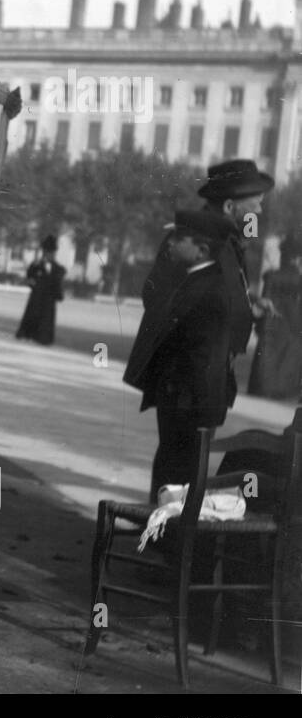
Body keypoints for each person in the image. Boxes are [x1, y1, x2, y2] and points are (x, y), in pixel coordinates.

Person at [123, 210, 235, 503]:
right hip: (181, 397)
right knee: (171, 464)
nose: (170, 244)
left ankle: (168, 535)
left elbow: (202, 354)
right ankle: (162, 529)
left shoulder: (208, 289)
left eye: (178, 239)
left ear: (201, 250)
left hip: (188, 400)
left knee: (177, 468)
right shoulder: (196, 281)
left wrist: (186, 398)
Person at [141, 159, 275, 362]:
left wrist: (250, 311)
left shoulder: (233, 242)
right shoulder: (188, 240)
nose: (259, 212)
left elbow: (221, 297)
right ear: (229, 206)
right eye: (256, 204)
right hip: (184, 373)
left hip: (213, 371)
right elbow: (155, 296)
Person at [248, 233, 302, 400]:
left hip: (271, 321)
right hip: (291, 322)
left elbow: (264, 299)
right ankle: (279, 391)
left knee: (267, 357)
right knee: (287, 357)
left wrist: (258, 323)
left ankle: (263, 390)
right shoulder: (298, 278)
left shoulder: (271, 275)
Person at [15, 235, 66, 345]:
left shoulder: (58, 268)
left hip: (48, 300)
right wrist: (32, 282)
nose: (48, 255)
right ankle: (27, 334)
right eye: (47, 252)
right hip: (36, 298)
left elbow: (58, 285)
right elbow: (29, 278)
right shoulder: (36, 266)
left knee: (46, 321)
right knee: (32, 315)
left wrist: (58, 294)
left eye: (51, 253)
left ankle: (44, 338)